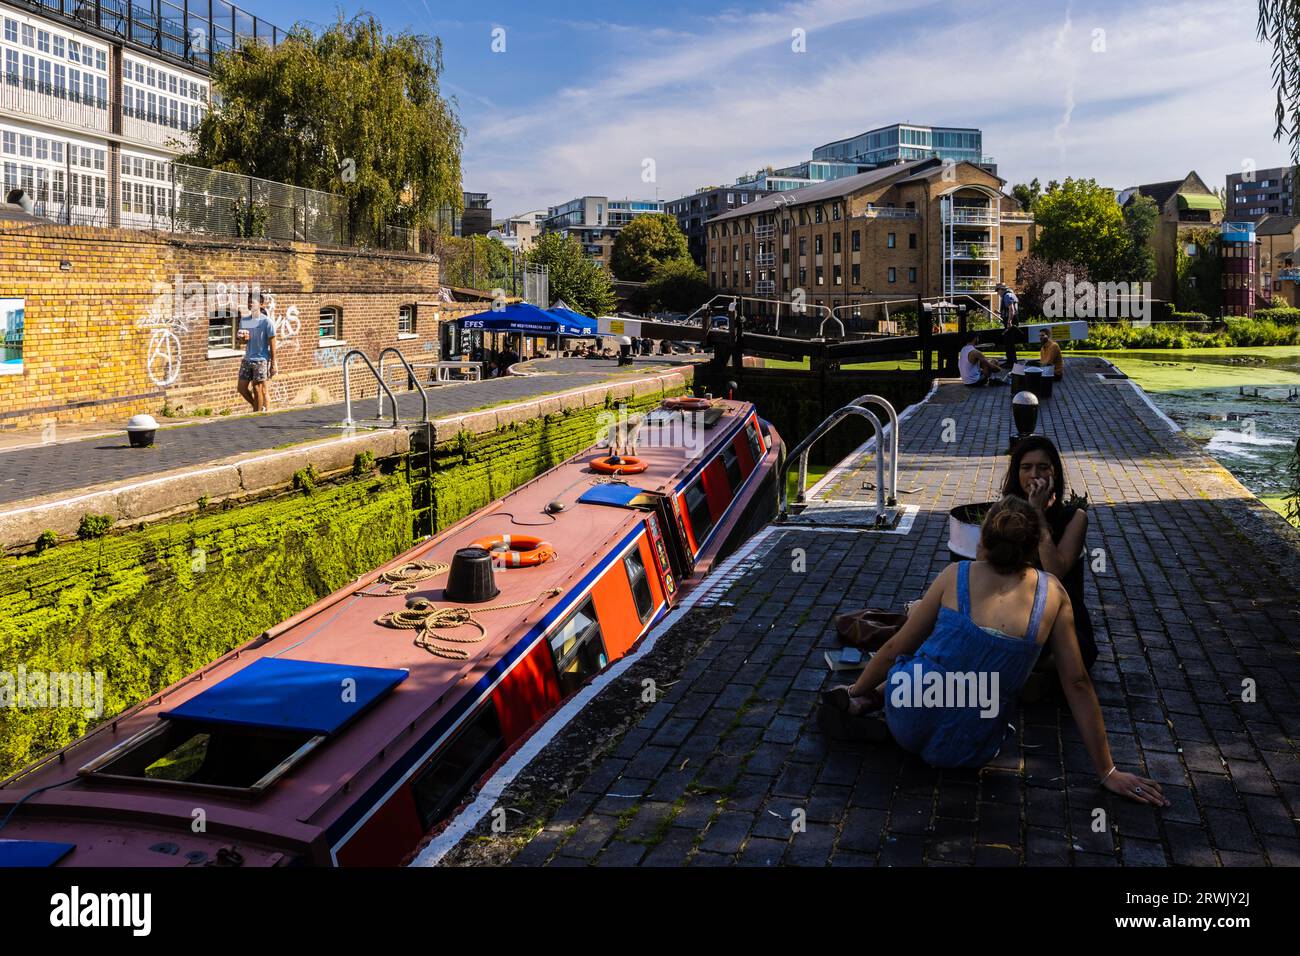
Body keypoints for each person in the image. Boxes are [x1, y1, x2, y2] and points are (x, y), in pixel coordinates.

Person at [820, 497, 1167, 806]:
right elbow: (1077, 682)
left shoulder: (956, 574)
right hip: (973, 745)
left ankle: (862, 702)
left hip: (909, 715)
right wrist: (1108, 771)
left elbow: (894, 646)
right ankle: (892, 708)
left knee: (923, 650)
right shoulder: (1054, 594)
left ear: (983, 541)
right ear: (1033, 548)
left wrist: (853, 688)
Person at [1002, 435, 1096, 674]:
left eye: (1043, 467)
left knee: (1070, 654)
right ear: (1017, 473)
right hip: (1014, 610)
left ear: (1054, 474)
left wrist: (1037, 514)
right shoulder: (1004, 513)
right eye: (1026, 467)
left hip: (1057, 615)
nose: (1034, 474)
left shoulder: (1075, 518)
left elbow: (1055, 570)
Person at [236, 292, 276, 413]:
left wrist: (273, 363)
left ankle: (256, 415)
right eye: (248, 301)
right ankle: (257, 408)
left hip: (261, 359)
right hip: (247, 358)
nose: (249, 303)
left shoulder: (266, 322)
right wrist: (243, 339)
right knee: (241, 388)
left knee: (257, 388)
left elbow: (272, 342)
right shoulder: (245, 320)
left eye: (252, 301)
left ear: (261, 304)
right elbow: (243, 342)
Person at [997, 282, 1021, 364]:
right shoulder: (1010, 295)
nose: (997, 293)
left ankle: (1011, 362)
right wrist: (1000, 313)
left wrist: (1009, 321)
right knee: (1009, 343)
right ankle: (1010, 361)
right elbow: (1009, 310)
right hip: (1011, 321)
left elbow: (1012, 310)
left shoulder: (1007, 296)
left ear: (1001, 289)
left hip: (1011, 322)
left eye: (998, 290)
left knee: (1009, 343)